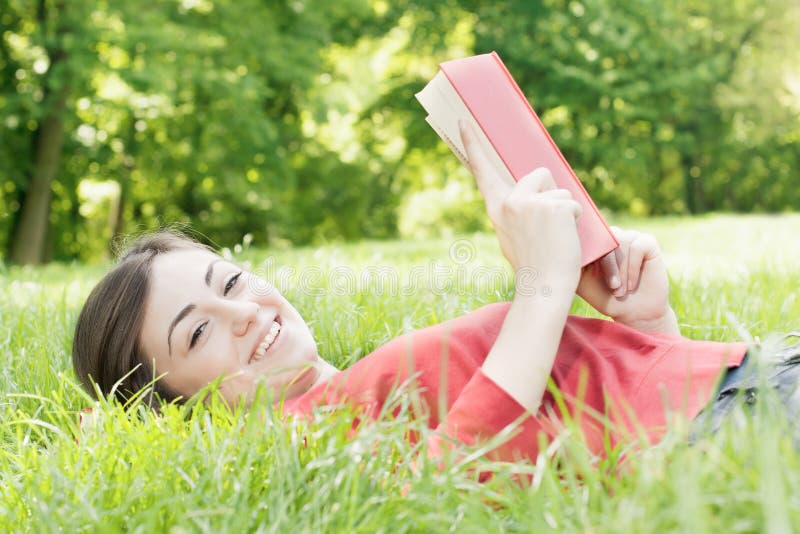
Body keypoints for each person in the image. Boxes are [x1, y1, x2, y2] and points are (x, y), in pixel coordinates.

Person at [72, 123, 783, 464]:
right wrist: (542, 286)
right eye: (197, 332)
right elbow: (453, 478)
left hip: (746, 382)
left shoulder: (350, 392)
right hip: (733, 420)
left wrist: (646, 323)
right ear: (170, 404)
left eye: (229, 281)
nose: (241, 311)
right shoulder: (297, 449)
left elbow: (619, 408)